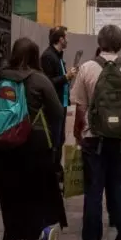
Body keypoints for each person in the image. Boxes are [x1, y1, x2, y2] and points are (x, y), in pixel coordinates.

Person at [0, 38, 68, 240]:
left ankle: (16, 239)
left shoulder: (0, 78)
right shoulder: (39, 79)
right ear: (35, 56)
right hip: (35, 146)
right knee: (37, 194)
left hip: (4, 146)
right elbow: (57, 112)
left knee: (13, 194)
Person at [71, 24, 121, 240]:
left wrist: (78, 132)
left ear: (99, 43)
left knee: (93, 192)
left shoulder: (87, 68)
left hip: (94, 139)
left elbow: (80, 107)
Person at [41, 26, 77, 159]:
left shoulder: (58, 56)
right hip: (53, 104)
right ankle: (52, 170)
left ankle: (57, 169)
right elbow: (47, 81)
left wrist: (68, 77)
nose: (68, 41)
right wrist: (66, 77)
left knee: (60, 138)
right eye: (66, 37)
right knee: (54, 138)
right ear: (61, 39)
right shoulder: (48, 56)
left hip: (62, 102)